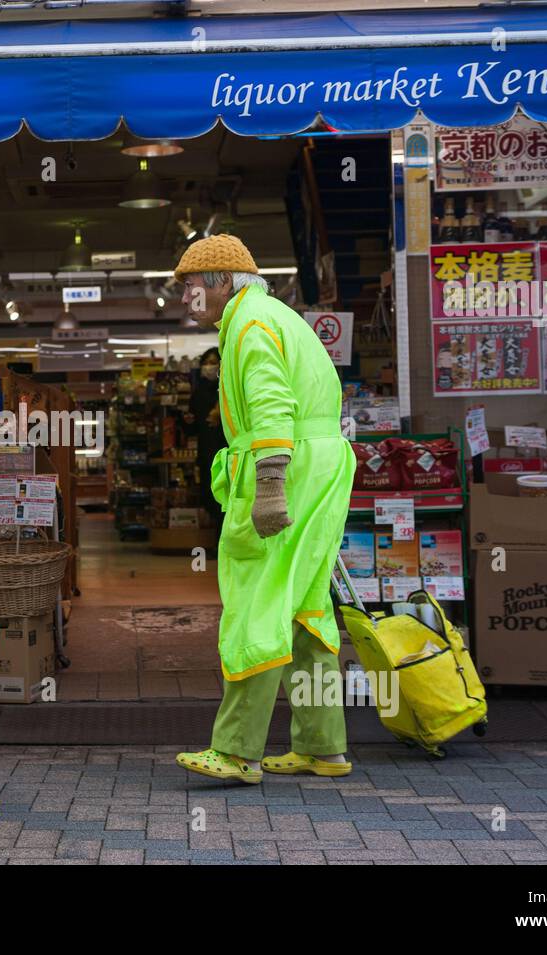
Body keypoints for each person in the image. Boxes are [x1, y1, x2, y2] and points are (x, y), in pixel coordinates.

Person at [172, 234, 356, 783]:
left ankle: (235, 752)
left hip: (288, 469)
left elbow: (273, 405)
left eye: (188, 288)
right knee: (305, 610)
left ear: (222, 282)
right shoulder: (275, 316)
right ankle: (324, 749)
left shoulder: (250, 326)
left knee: (258, 606)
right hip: (320, 468)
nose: (184, 299)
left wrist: (271, 482)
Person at [188, 347, 227, 535]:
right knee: (209, 496)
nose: (208, 367)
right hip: (205, 453)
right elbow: (193, 426)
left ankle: (222, 541)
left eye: (213, 362)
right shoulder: (198, 392)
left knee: (225, 497)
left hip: (226, 450)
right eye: (205, 363)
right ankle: (216, 538)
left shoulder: (228, 388)